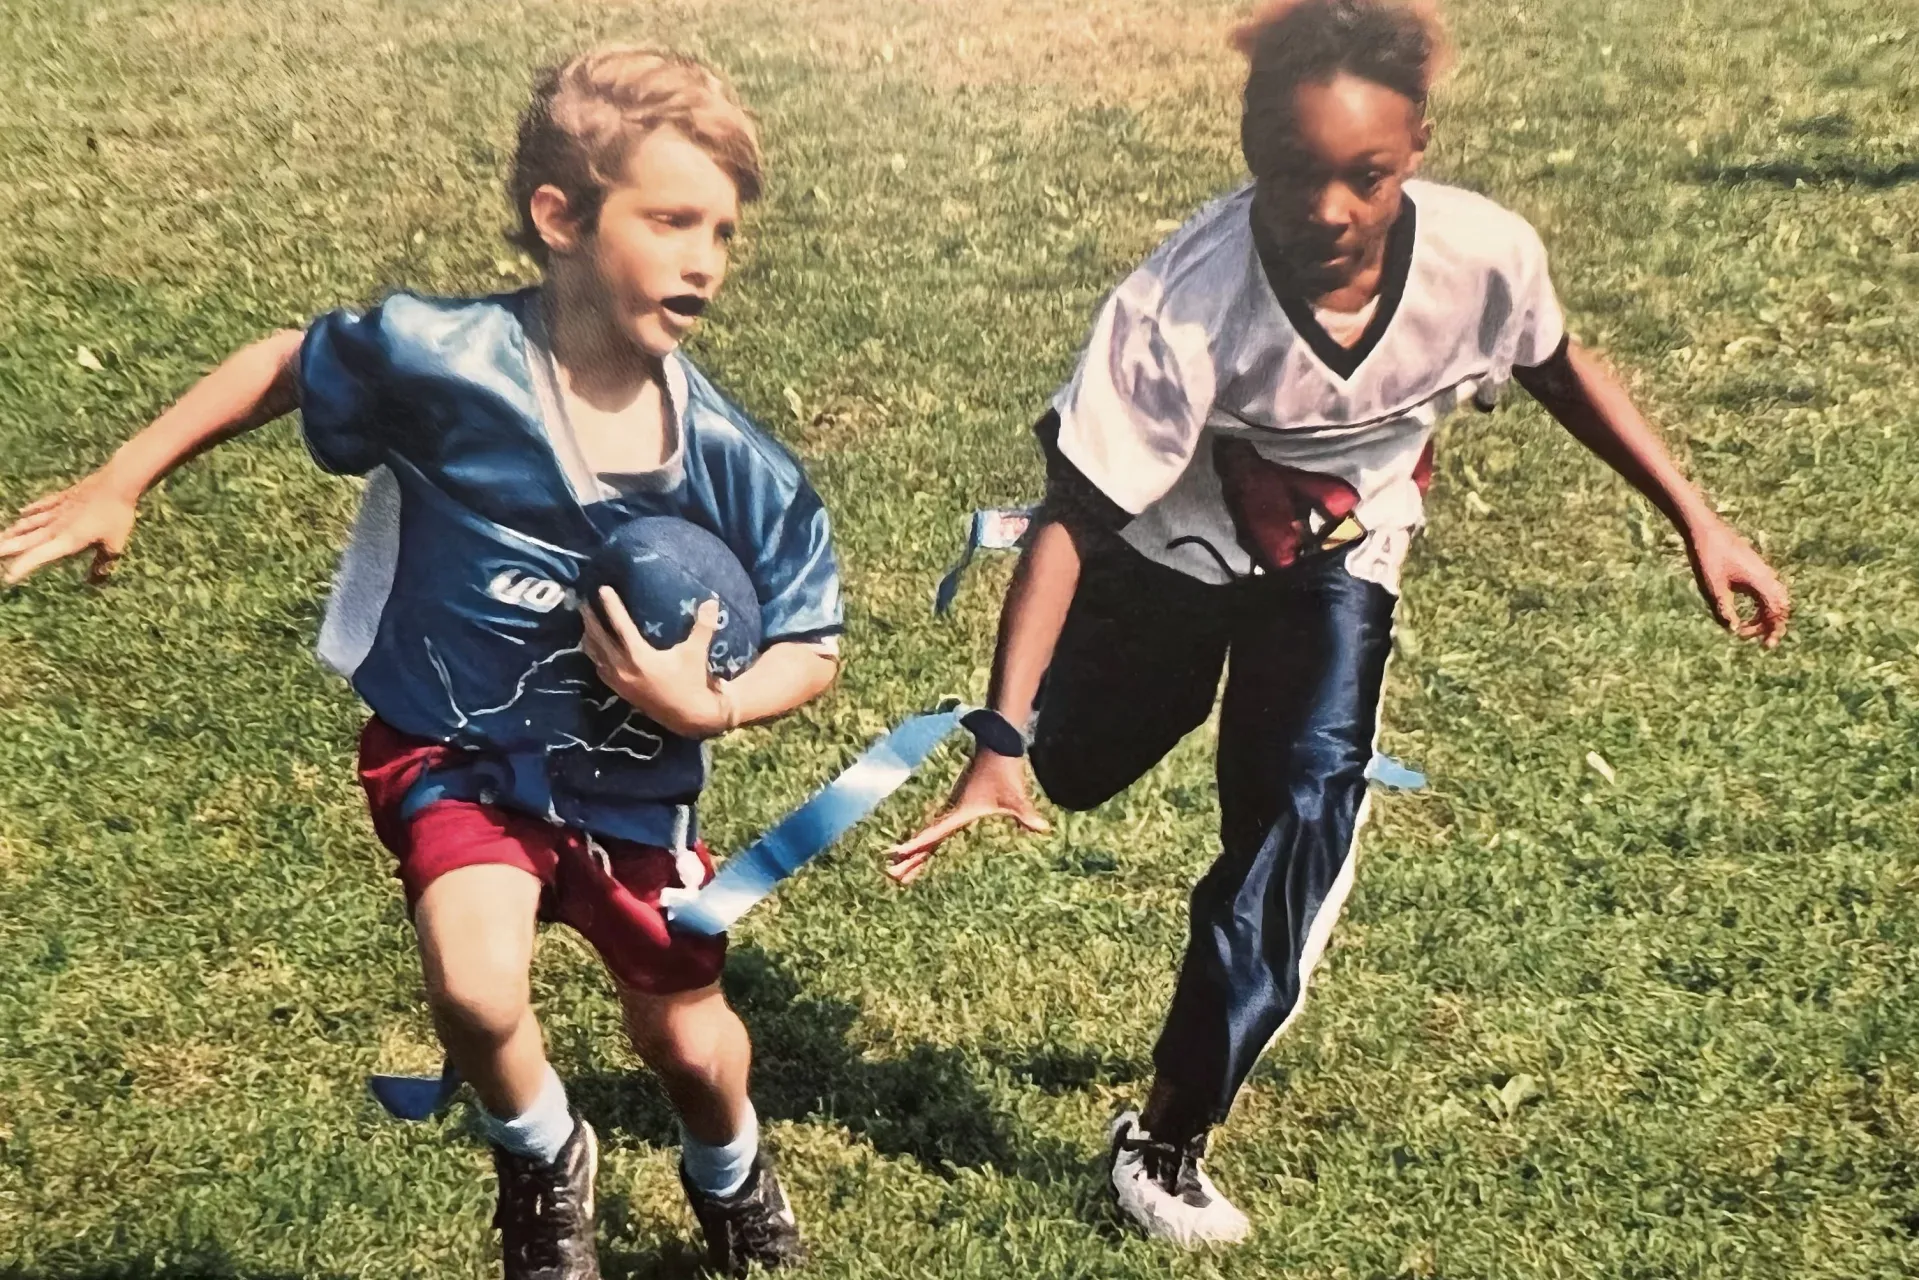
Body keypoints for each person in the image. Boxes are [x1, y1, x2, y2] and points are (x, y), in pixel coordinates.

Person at [885, 0, 1789, 1248]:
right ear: (1249, 145)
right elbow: (1067, 520)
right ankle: (1085, 727)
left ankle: (1165, 1137)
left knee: (1299, 812)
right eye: (1293, 173)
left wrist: (1696, 515)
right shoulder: (1178, 308)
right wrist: (997, 740)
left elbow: (1555, 364)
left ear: (1415, 143)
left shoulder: (1483, 255)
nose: (1327, 212)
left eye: (1363, 176)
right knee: (1077, 762)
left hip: (1336, 567)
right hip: (1163, 559)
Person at [1, 46, 840, 1280]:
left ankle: (729, 1171)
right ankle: (544, 1151)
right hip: (453, 746)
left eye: (720, 228)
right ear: (561, 218)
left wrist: (705, 699)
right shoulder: (444, 360)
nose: (703, 254)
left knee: (687, 1040)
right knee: (474, 978)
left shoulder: (731, 461)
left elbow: (812, 645)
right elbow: (288, 361)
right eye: (669, 218)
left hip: (628, 785)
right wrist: (126, 476)